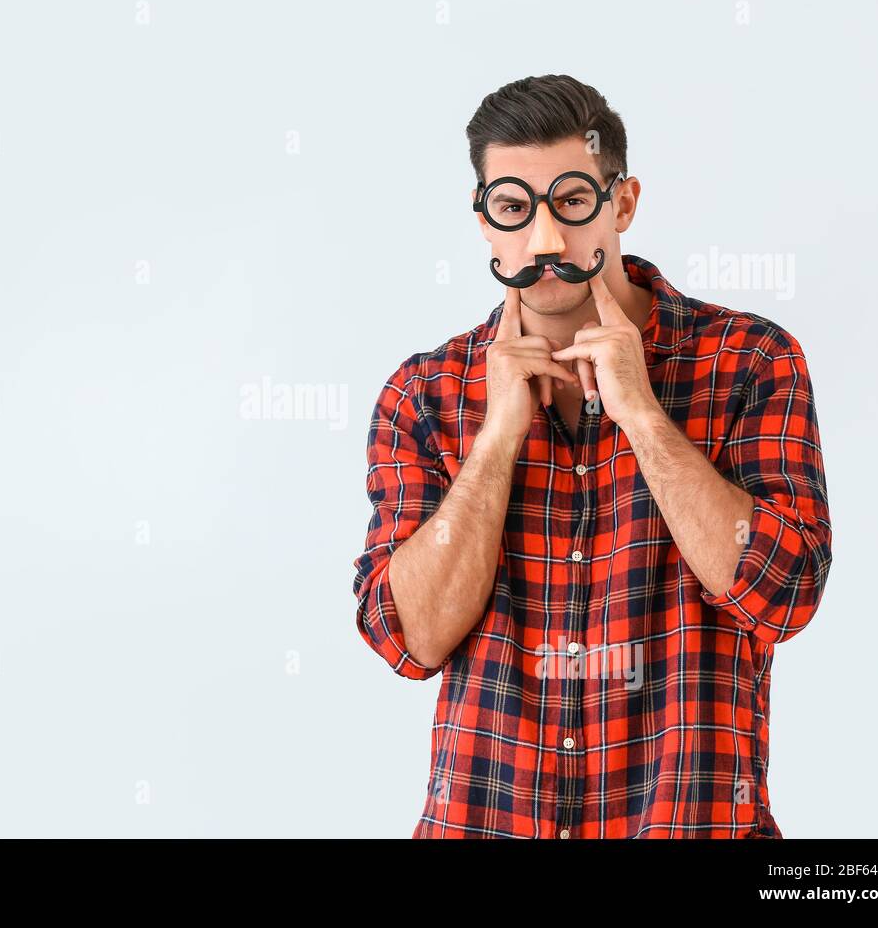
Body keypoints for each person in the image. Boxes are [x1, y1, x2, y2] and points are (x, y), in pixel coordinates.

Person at [351, 74, 833, 838]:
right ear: (484, 221)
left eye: (572, 203)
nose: (545, 241)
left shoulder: (749, 360)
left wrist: (642, 411)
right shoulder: (427, 393)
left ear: (623, 203)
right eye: (513, 208)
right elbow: (410, 639)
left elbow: (784, 594)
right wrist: (497, 441)